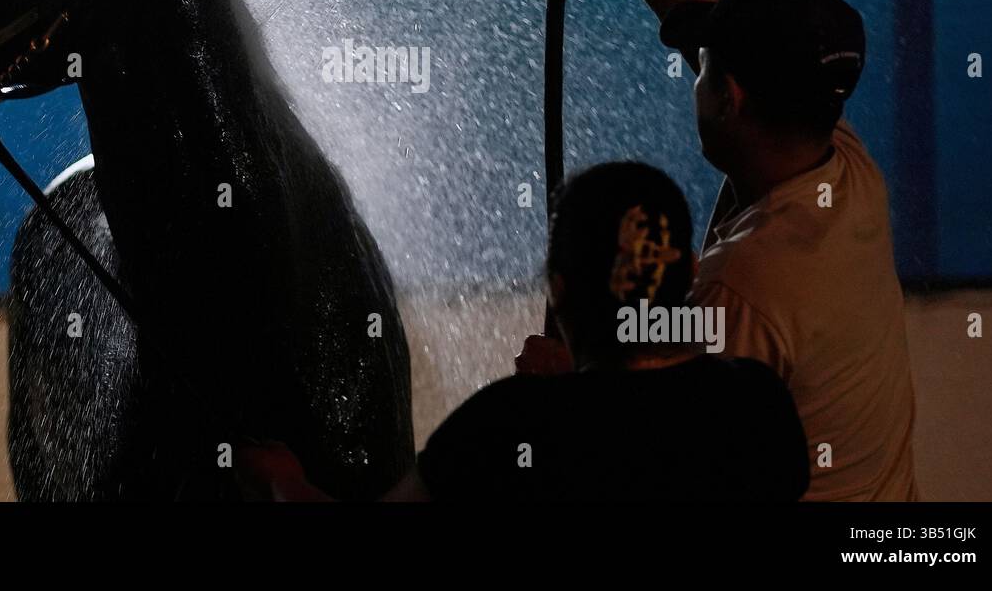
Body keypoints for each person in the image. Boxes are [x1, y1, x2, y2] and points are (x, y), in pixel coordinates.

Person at [461, 0, 918, 501]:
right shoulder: (839, 162)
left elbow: (658, 468)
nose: (690, 65)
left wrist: (562, 389)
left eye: (703, 65)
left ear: (731, 97)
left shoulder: (743, 292)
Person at [241, 161, 809, 502]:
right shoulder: (759, 406)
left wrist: (284, 483)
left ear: (557, 289)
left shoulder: (511, 422)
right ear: (689, 270)